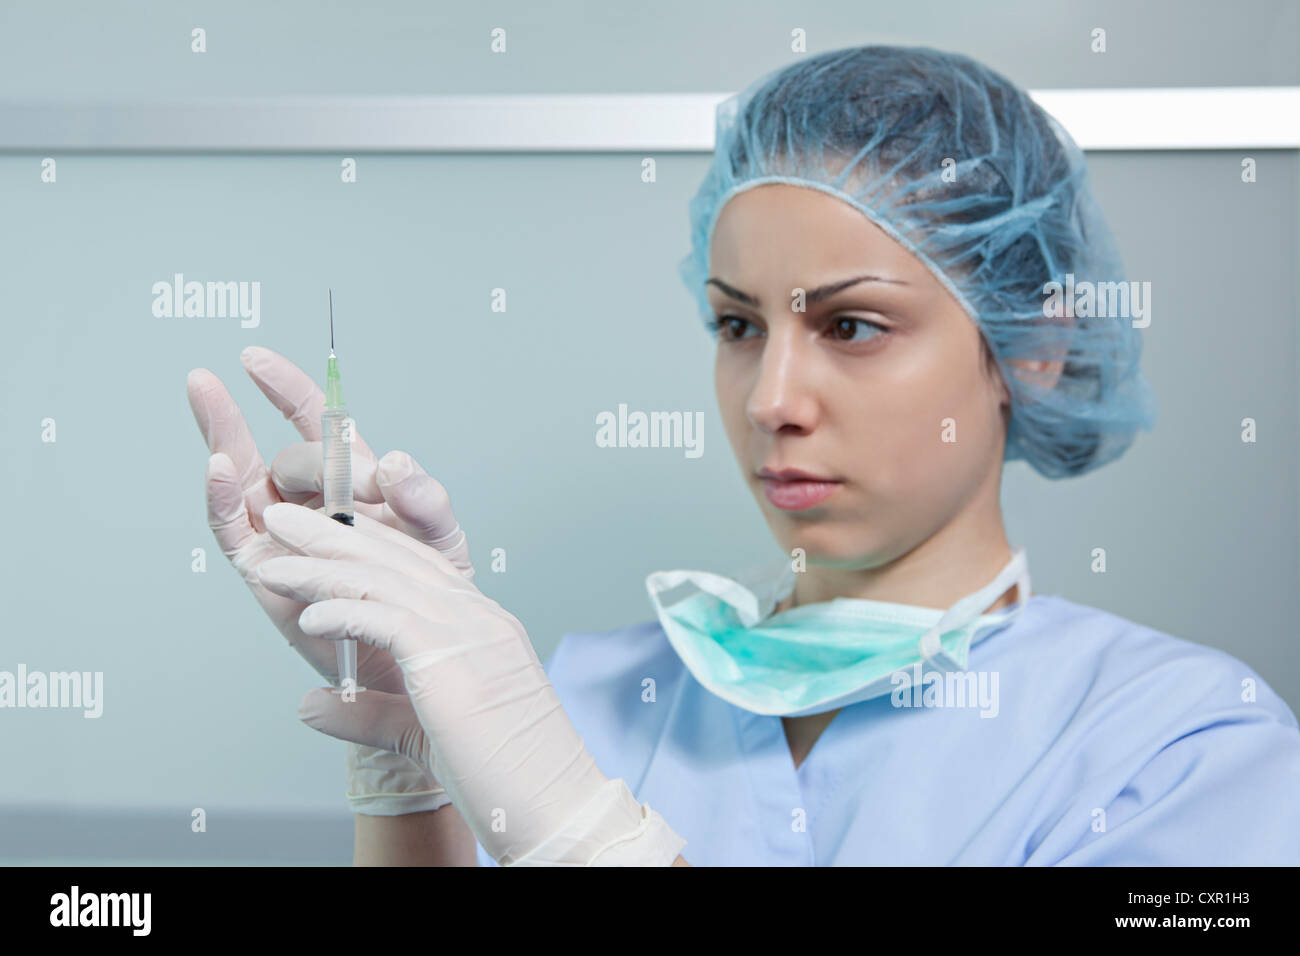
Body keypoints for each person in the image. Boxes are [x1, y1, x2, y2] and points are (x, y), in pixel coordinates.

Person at [187, 45, 1300, 866]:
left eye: (852, 326)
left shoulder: (1180, 745)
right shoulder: (578, 694)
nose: (772, 398)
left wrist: (581, 832)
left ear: (1038, 350)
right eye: (737, 324)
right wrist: (407, 777)